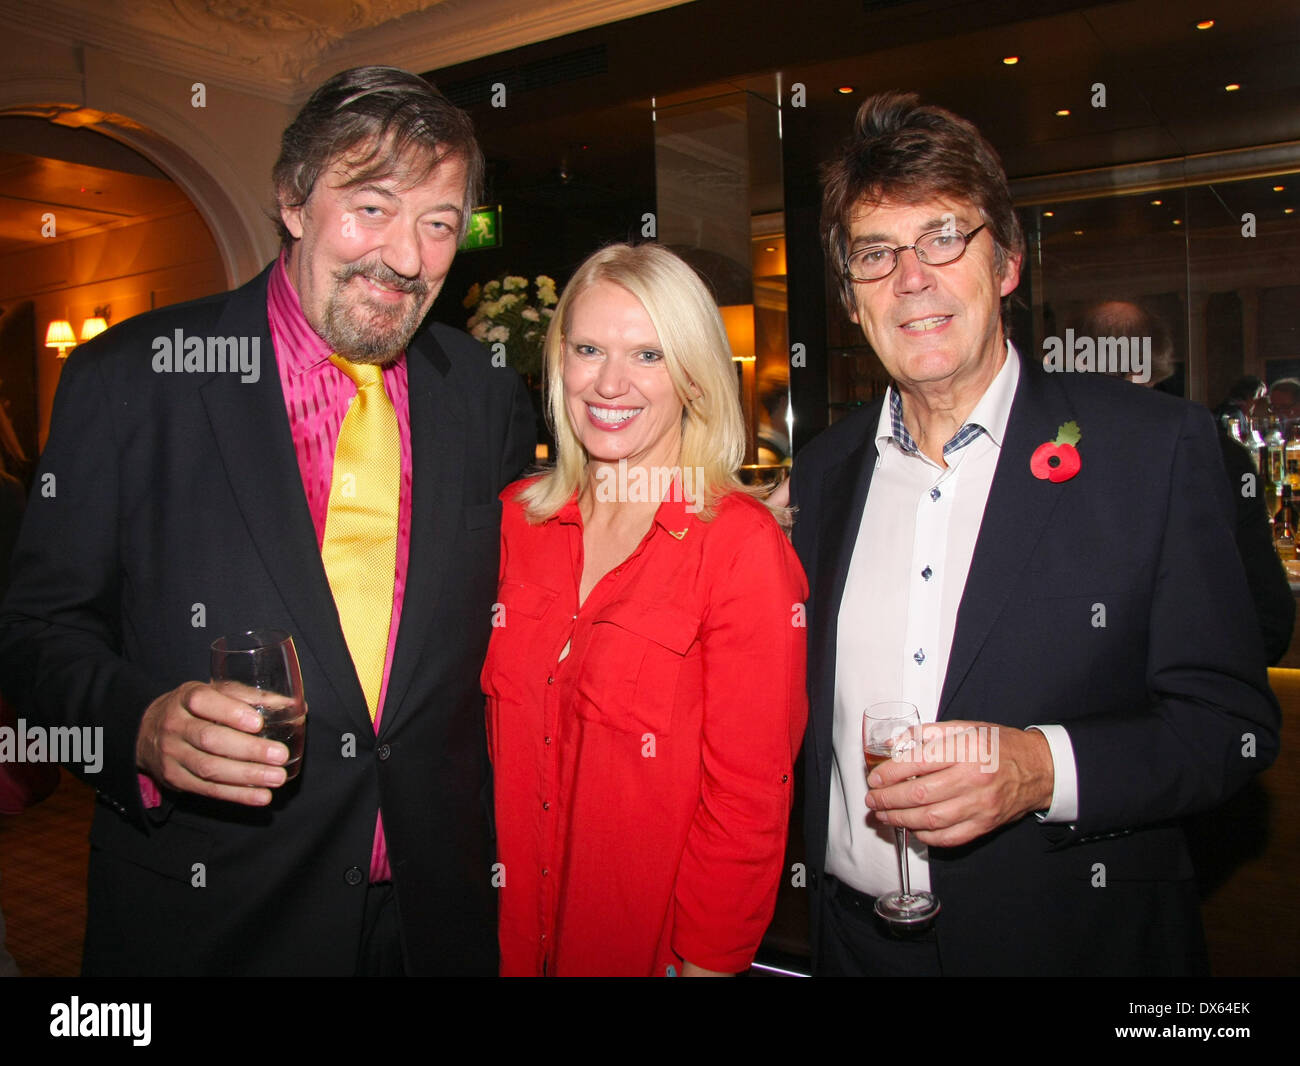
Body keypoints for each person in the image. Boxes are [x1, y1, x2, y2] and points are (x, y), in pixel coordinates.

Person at [0, 66, 535, 975]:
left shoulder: (484, 397)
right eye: (371, 207)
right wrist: (137, 725)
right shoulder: (134, 381)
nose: (406, 258)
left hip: (435, 918)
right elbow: (33, 630)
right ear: (293, 199)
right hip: (214, 920)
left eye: (438, 223)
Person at [790, 91, 1279, 976]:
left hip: (1072, 945)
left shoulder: (1154, 450)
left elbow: (1230, 725)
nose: (911, 278)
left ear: (1008, 262)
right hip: (854, 946)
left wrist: (1040, 769)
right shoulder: (825, 474)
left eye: (944, 237)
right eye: (876, 253)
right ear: (853, 301)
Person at [482, 243, 807, 977]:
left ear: (693, 377)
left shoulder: (739, 548)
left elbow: (749, 802)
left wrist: (705, 967)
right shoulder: (514, 523)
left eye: (648, 355)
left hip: (646, 953)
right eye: (588, 348)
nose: (609, 383)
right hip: (500, 942)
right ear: (557, 362)